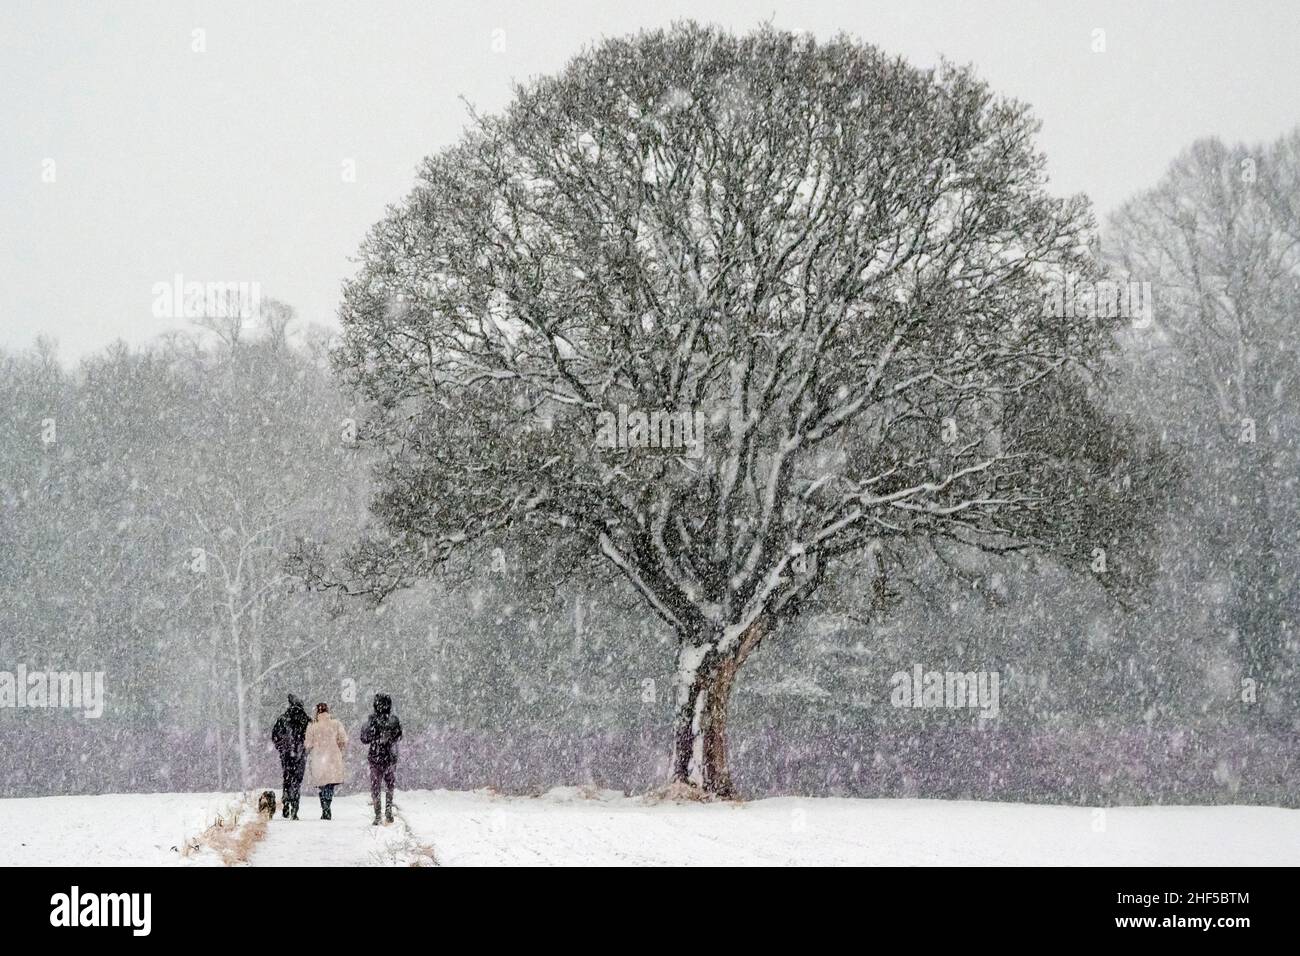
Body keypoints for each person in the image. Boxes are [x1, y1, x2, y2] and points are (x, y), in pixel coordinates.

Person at [360, 693, 402, 825]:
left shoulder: (371, 720)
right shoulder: (394, 720)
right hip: (390, 756)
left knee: (375, 786)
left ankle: (377, 814)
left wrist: (375, 737)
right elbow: (399, 736)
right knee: (389, 784)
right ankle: (388, 809)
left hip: (375, 757)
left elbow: (364, 738)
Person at [304, 702, 347, 820]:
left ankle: (324, 806)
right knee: (330, 783)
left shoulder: (313, 726)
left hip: (319, 758)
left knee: (322, 783)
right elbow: (343, 739)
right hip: (333, 756)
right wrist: (338, 747)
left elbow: (307, 744)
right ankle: (327, 804)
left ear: (317, 712)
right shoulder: (336, 724)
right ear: (328, 711)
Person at [270, 693, 309, 820]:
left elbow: (275, 736)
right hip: (300, 753)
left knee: (287, 778)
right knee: (297, 780)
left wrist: (281, 748)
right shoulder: (306, 719)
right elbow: (311, 737)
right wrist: (305, 748)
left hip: (286, 754)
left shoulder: (283, 718)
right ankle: (295, 809)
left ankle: (286, 803)